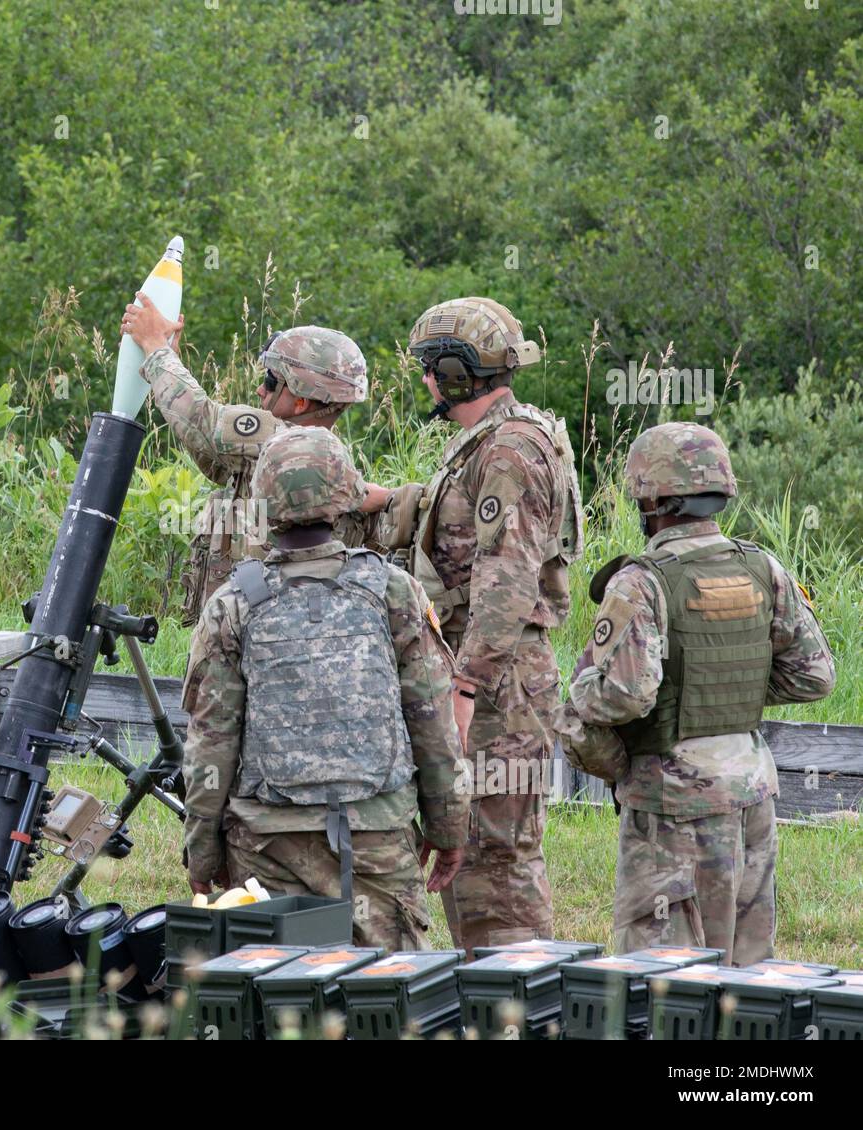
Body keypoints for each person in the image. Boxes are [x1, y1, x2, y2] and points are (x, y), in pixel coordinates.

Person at [554, 422, 834, 965]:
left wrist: (579, 694)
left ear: (649, 495)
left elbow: (625, 697)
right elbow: (815, 675)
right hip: (752, 793)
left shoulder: (642, 581)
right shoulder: (763, 568)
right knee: (749, 978)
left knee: (666, 981)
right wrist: (725, 690)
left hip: (672, 804)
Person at [180, 426, 469, 951]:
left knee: (274, 994)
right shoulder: (393, 590)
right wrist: (448, 826)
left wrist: (201, 851)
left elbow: (211, 741)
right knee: (389, 993)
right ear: (345, 498)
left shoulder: (232, 604)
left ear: (264, 504)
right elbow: (434, 723)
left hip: (268, 844)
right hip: (376, 837)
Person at [372, 297, 584, 956]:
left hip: (497, 684)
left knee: (496, 865)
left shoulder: (509, 451)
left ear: (453, 373)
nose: (425, 381)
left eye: (429, 369)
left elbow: (506, 583)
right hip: (492, 673)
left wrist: (463, 689)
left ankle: (512, 1004)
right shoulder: (495, 440)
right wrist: (398, 502)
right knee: (471, 855)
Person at [121, 294, 383, 625]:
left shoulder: (280, 439)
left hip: (253, 624)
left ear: (301, 402)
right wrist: (167, 358)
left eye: (272, 381)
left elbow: (201, 421)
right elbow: (212, 454)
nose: (260, 390)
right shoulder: (328, 459)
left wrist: (155, 347)